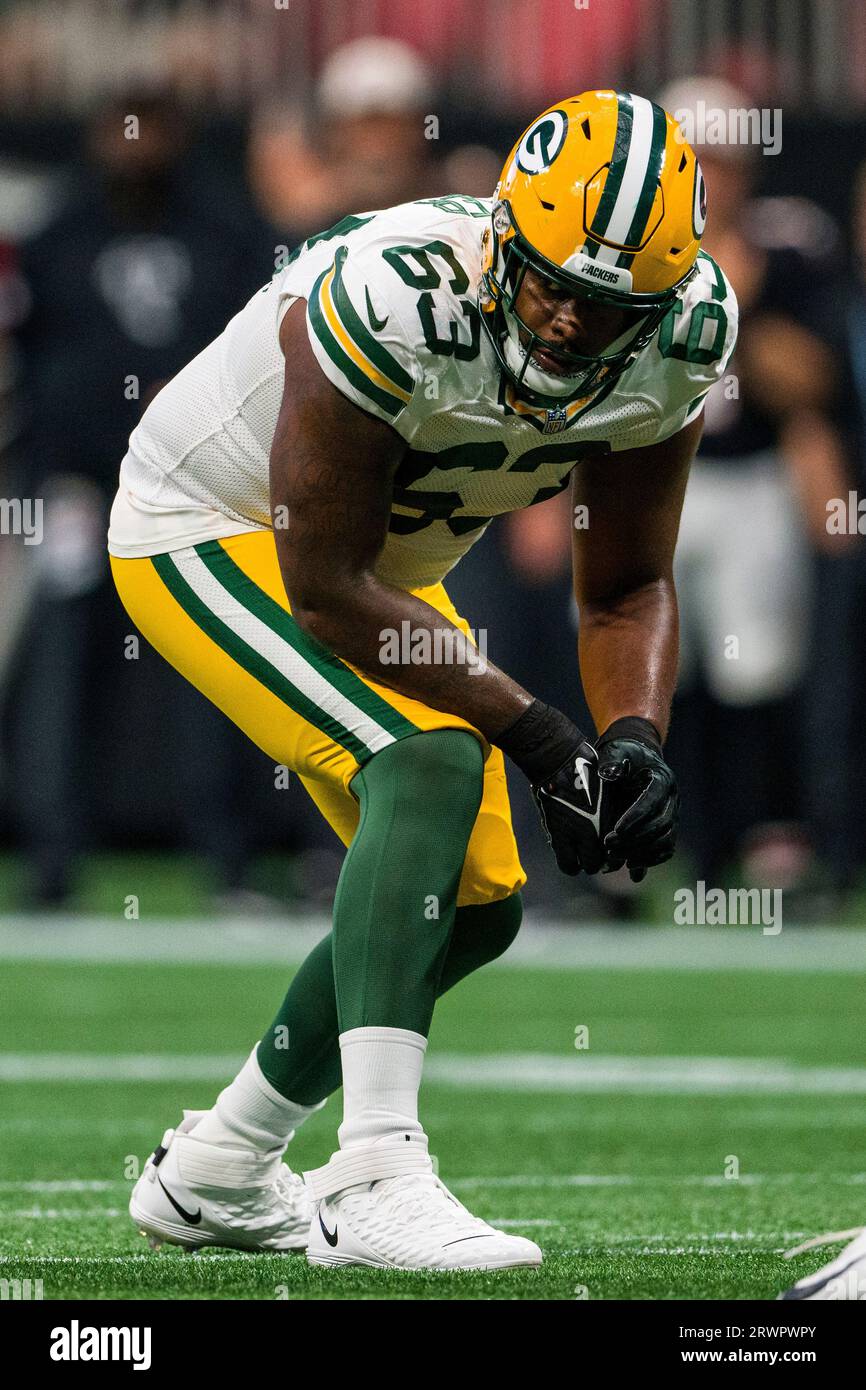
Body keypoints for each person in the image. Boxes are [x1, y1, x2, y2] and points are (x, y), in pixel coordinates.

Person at [110, 91, 736, 1271]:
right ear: (502, 232)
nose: (563, 321)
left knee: (478, 900)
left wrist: (636, 735)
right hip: (214, 526)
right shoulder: (391, 290)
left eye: (607, 308)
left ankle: (222, 1165)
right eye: (549, 281)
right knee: (431, 756)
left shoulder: (684, 336)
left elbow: (623, 586)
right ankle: (373, 1170)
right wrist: (549, 741)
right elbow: (329, 587)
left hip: (382, 565)